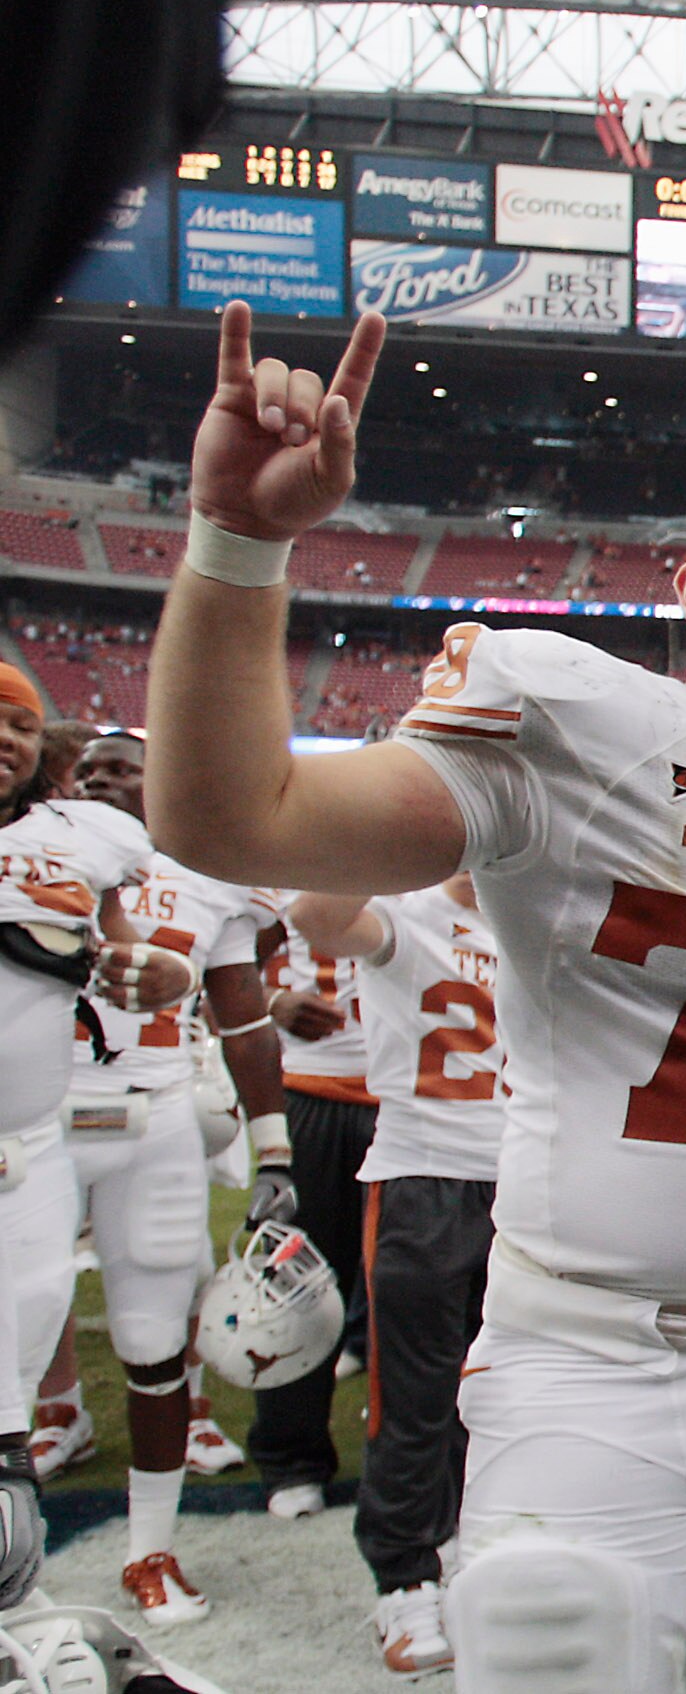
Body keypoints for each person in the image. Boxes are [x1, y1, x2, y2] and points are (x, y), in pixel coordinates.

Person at [140, 303, 686, 1692]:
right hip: (596, 1355)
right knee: (568, 1646)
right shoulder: (570, 735)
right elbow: (227, 816)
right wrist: (240, 542)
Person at [56, 731, 289, 1626]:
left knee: (154, 1342)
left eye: (122, 767)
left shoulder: (208, 876)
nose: (101, 778)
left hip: (152, 1121)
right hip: (34, 1121)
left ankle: (150, 1549)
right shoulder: (29, 858)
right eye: (90, 769)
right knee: (15, 1326)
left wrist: (274, 1148)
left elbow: (244, 1018)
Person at [283, 873, 505, 1676]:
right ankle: (404, 1577)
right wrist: (397, 839)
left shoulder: (537, 910)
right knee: (415, 1394)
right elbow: (315, 915)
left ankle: (476, 1550)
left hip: (529, 1184)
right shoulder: (408, 913)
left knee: (506, 1393)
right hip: (427, 1175)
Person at [0, 664, 159, 1613]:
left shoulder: (85, 836)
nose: (6, 738)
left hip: (31, 1148)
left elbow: (122, 949)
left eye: (20, 726)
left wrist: (158, 973)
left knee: (15, 1382)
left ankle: (17, 1611)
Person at [243, 893, 377, 1519]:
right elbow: (219, 968)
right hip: (311, 1091)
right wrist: (273, 1001)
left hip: (419, 1102)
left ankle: (420, 1459)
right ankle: (291, 1457)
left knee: (423, 1293)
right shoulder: (284, 869)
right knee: (297, 1285)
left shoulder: (437, 863)